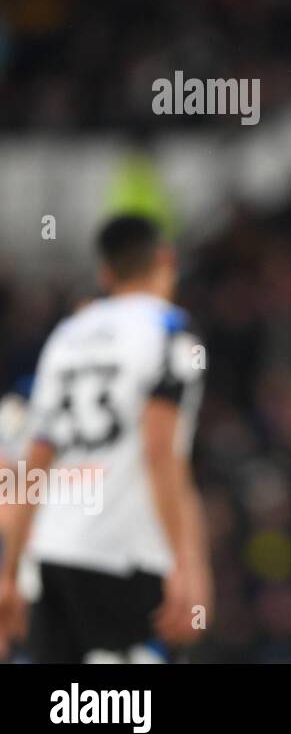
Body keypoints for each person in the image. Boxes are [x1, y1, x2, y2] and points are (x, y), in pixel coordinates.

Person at [0, 215, 209, 662]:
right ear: (167, 260)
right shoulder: (172, 330)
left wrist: (10, 573)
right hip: (125, 555)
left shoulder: (64, 337)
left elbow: (37, 459)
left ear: (105, 275)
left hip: (52, 553)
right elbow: (160, 451)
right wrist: (183, 564)